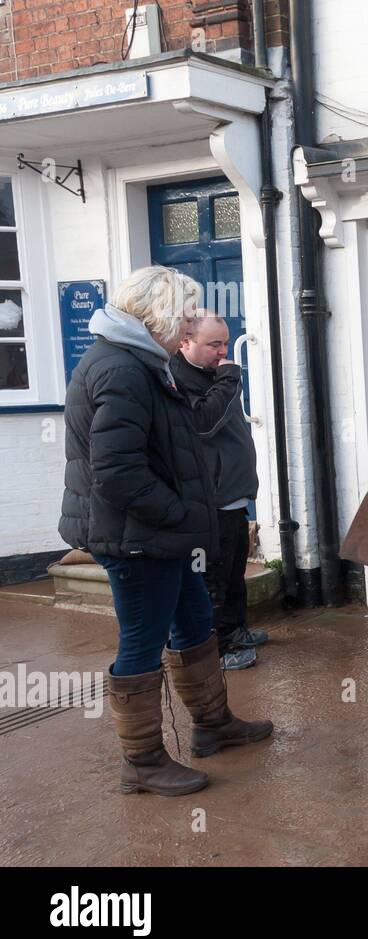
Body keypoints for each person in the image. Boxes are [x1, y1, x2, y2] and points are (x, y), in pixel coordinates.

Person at [59, 266, 273, 797]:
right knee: (142, 641)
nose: (185, 328)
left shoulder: (140, 362)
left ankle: (212, 724)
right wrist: (179, 514)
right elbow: (117, 473)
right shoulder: (122, 370)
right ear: (156, 313)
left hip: (157, 535)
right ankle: (143, 761)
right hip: (136, 538)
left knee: (196, 621)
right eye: (182, 315)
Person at [170, 310, 268, 671]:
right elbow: (202, 424)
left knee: (234, 570)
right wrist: (228, 380)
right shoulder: (178, 376)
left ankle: (235, 628)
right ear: (185, 341)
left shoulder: (212, 373)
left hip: (233, 492)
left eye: (226, 343)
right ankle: (219, 648)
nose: (223, 352)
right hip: (210, 497)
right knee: (214, 575)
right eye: (214, 344)